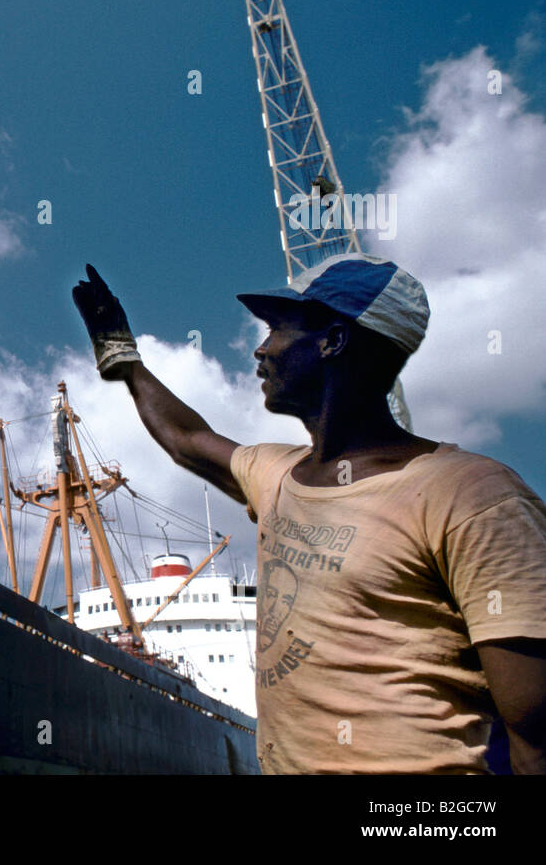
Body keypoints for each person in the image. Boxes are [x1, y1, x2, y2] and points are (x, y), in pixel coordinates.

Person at [72, 253, 546, 774]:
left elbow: (536, 736)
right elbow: (187, 438)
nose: (261, 349)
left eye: (277, 329)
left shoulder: (473, 498)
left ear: (332, 341)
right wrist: (120, 353)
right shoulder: (277, 474)